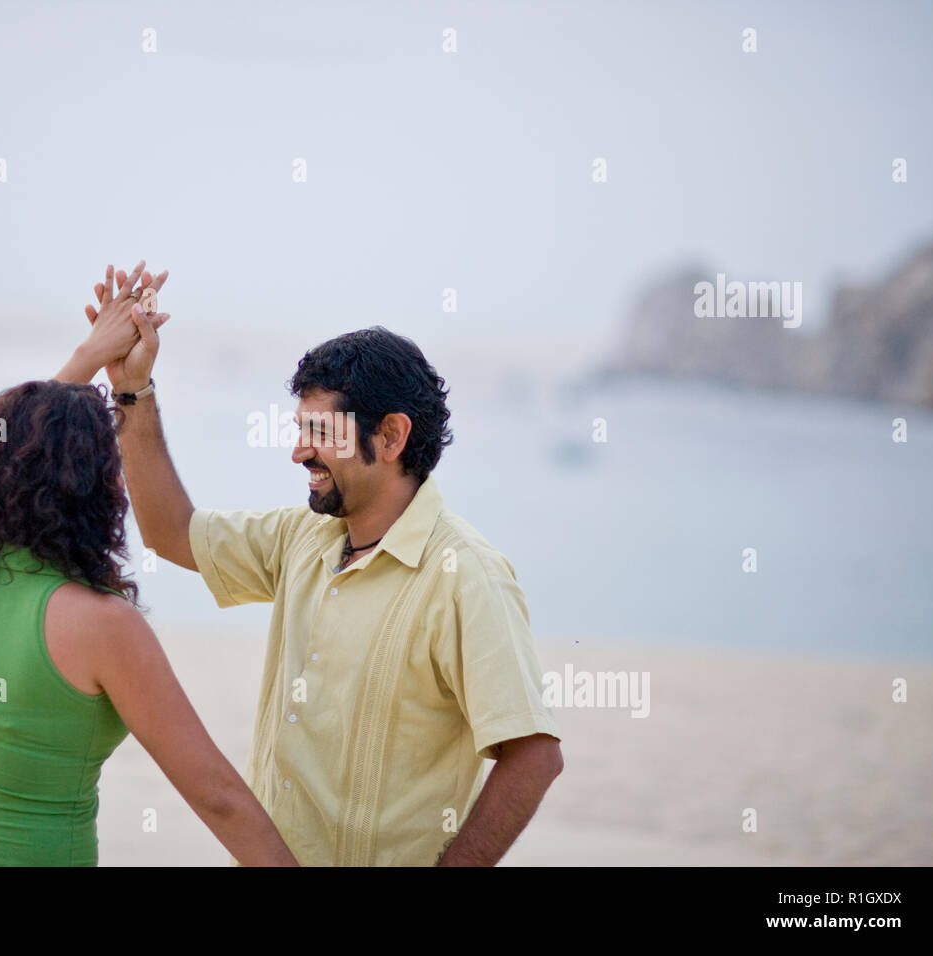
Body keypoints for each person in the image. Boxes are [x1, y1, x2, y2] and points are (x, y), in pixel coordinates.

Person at [64, 266, 565, 866]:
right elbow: (171, 533)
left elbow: (534, 755)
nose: (299, 451)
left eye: (319, 432)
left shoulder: (467, 575)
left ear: (392, 435)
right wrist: (132, 390)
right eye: (299, 430)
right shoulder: (302, 536)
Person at [0, 261, 297, 866]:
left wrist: (91, 354)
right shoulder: (104, 625)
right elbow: (216, 795)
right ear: (101, 486)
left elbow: (6, 447)